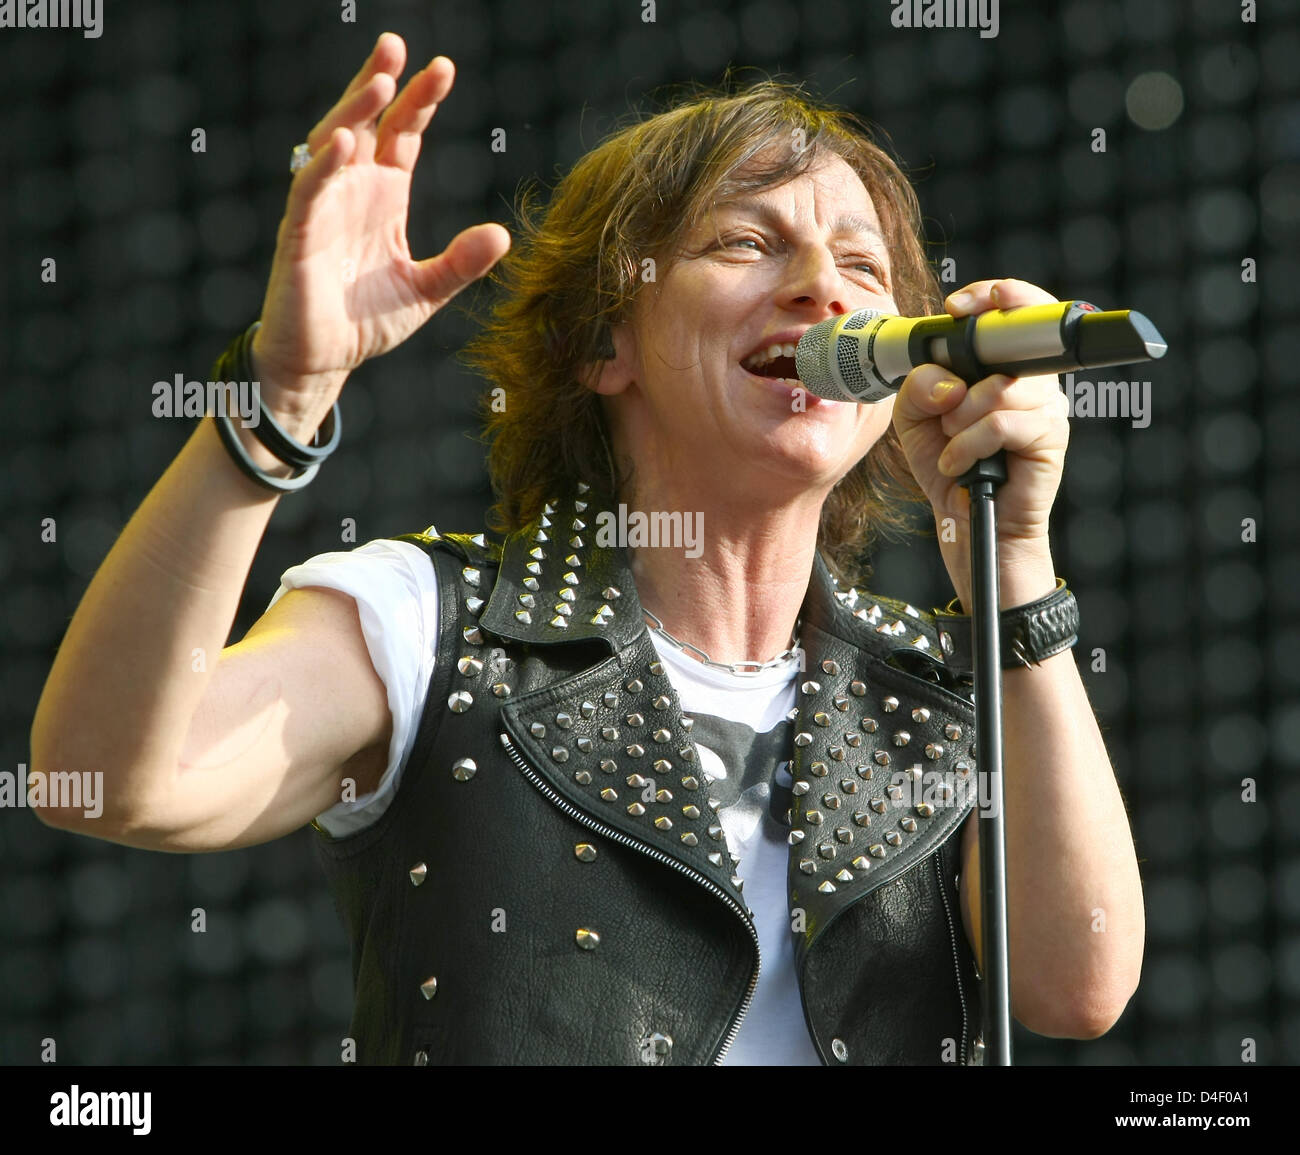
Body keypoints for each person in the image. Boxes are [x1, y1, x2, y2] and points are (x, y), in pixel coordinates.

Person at [31, 32, 1144, 1065]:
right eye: (747, 242)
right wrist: (275, 405)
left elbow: (1076, 983)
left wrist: (1008, 567)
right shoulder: (429, 622)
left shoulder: (951, 680)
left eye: (863, 266)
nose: (824, 288)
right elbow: (114, 782)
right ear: (606, 341)